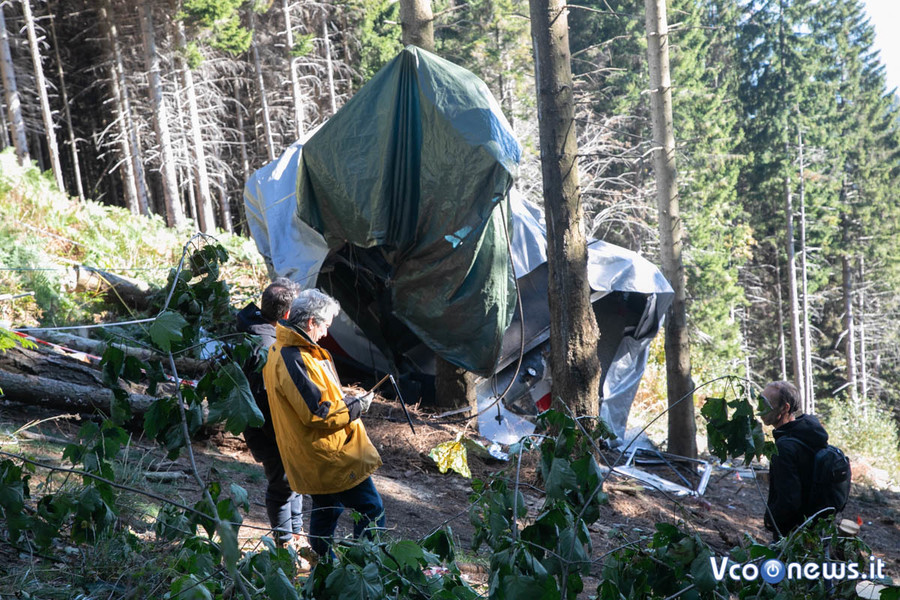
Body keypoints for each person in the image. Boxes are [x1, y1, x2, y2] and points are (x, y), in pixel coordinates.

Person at [263, 288, 384, 558]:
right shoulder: (293, 357)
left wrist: (347, 399)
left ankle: (324, 571)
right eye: (325, 326)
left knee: (327, 510)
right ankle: (370, 570)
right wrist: (356, 406)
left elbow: (317, 399)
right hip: (329, 455)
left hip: (317, 453)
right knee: (371, 509)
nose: (326, 333)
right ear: (310, 323)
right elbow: (317, 413)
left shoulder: (287, 349)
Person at [237, 277, 303, 548]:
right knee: (283, 483)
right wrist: (282, 434)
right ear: (287, 314)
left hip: (273, 424)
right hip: (268, 427)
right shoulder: (265, 347)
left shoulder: (255, 326)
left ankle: (298, 535)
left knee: (295, 478)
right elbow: (263, 400)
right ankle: (285, 544)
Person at [760, 380, 830, 540]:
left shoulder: (784, 447)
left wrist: (772, 522)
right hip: (814, 528)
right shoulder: (807, 434)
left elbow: (788, 500)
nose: (760, 409)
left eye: (766, 403)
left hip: (793, 534)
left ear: (785, 408)